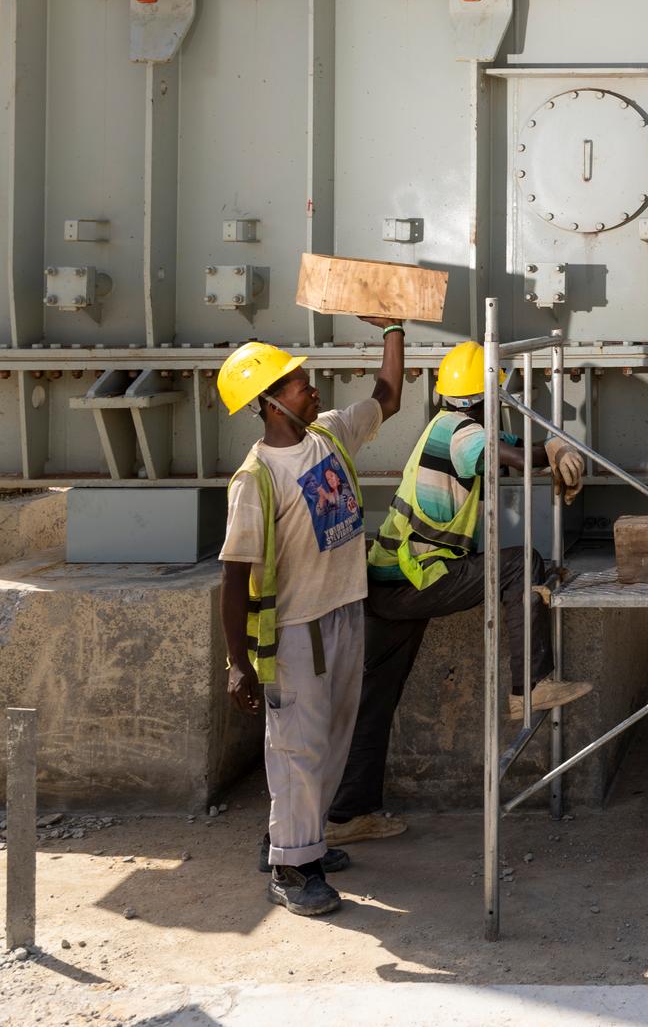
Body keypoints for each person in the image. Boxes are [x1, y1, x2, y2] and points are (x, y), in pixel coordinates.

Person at [323, 340, 593, 846]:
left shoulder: (448, 425)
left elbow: (515, 448)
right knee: (520, 565)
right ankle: (530, 686)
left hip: (386, 581)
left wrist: (552, 450)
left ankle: (345, 815)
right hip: (418, 577)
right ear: (489, 396)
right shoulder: (462, 434)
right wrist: (549, 453)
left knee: (375, 700)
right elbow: (507, 456)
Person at [216, 318, 404, 917]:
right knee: (297, 747)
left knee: (330, 741)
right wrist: (237, 663)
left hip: (344, 612)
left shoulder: (329, 435)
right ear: (270, 403)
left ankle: (295, 840)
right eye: (298, 385)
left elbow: (387, 397)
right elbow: (233, 577)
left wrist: (393, 328)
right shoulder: (257, 479)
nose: (312, 388)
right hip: (297, 631)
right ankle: (292, 870)